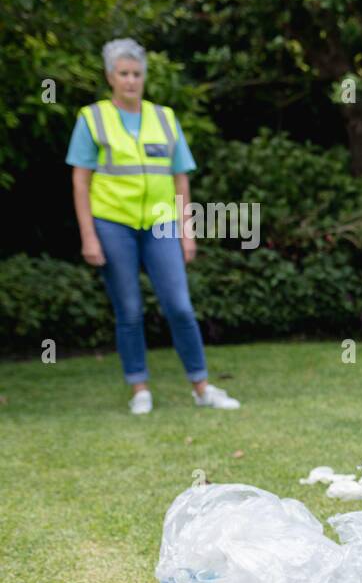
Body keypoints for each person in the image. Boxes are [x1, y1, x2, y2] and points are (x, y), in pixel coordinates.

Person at [67, 38, 240, 415]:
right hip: (113, 224)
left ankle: (202, 387)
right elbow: (80, 180)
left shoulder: (164, 118)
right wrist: (88, 235)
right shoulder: (92, 118)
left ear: (144, 77)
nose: (131, 81)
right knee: (128, 309)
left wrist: (187, 229)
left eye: (137, 74)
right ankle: (139, 389)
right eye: (123, 74)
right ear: (110, 77)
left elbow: (181, 178)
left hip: (162, 224)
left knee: (179, 306)